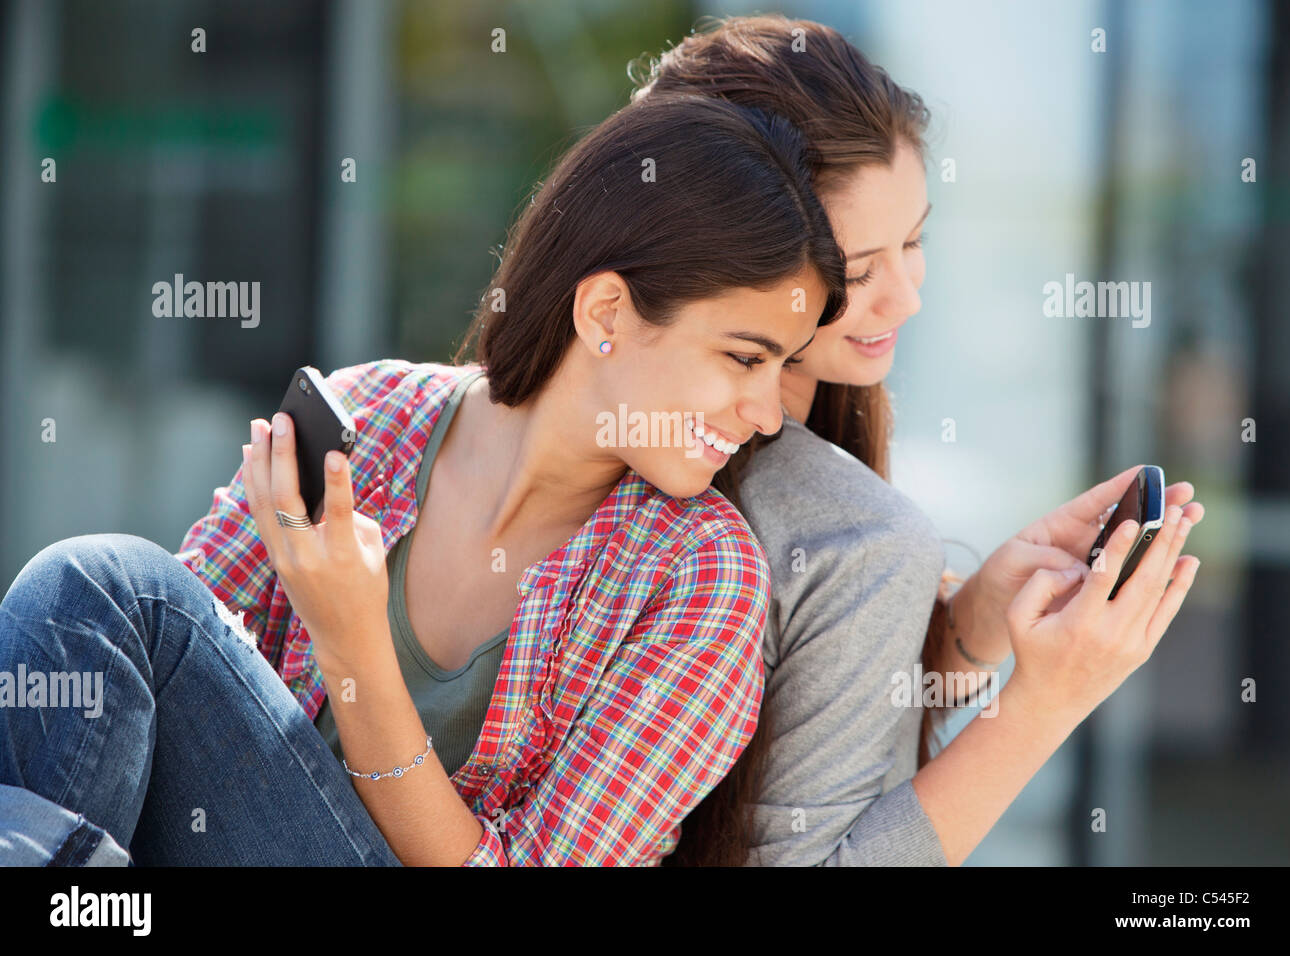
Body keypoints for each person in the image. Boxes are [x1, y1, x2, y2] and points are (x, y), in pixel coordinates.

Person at [0, 92, 847, 866]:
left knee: (114, 588)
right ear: (607, 314)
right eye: (744, 358)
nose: (768, 413)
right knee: (91, 600)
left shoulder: (703, 579)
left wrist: (352, 640)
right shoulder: (371, 419)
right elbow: (142, 699)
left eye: (780, 369)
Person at [634, 15, 1204, 867]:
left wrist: (959, 634)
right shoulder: (837, 526)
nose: (905, 299)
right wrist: (1046, 704)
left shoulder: (608, 435)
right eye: (860, 271)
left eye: (915, 241)